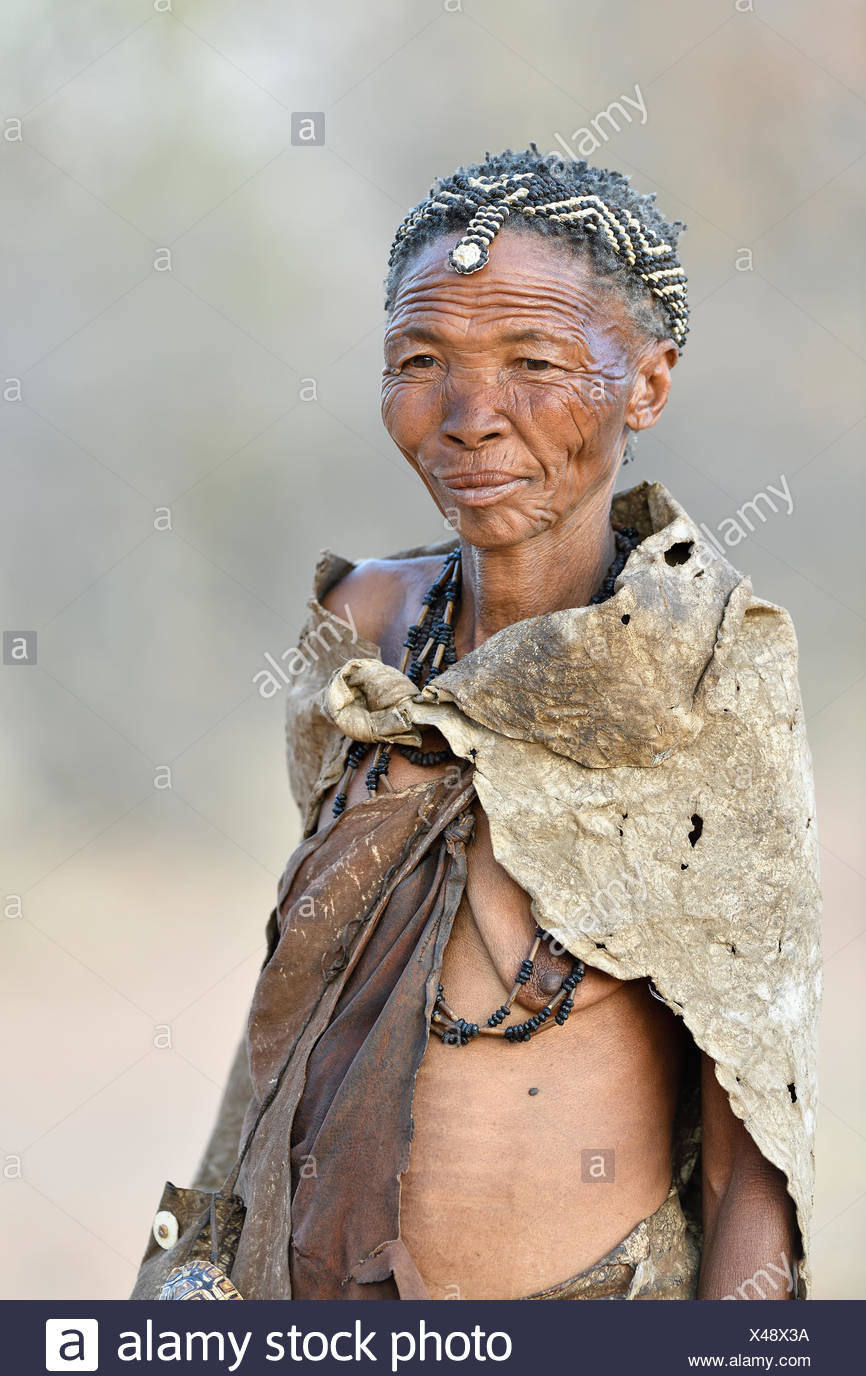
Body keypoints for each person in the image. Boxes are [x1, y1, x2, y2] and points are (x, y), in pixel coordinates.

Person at [133, 148, 821, 1302]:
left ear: (645, 386)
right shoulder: (361, 633)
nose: (467, 416)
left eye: (532, 360)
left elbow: (753, 1102)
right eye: (421, 361)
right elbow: (308, 997)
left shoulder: (704, 669)